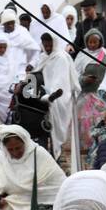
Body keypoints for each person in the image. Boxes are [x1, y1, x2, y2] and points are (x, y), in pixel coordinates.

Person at [0, 123, 65, 210]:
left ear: (25, 142)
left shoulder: (38, 154)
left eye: (18, 148)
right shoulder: (2, 159)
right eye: (10, 149)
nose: (15, 153)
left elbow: (59, 184)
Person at [34, 32, 79, 160]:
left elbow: (61, 81)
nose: (47, 46)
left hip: (59, 96)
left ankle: (57, 156)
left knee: (56, 130)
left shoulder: (61, 57)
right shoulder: (43, 57)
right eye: (45, 43)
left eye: (49, 43)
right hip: (43, 97)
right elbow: (37, 74)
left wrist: (50, 95)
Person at [75, 61, 106, 169]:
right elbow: (74, 80)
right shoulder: (82, 57)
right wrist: (83, 80)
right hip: (82, 99)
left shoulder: (102, 96)